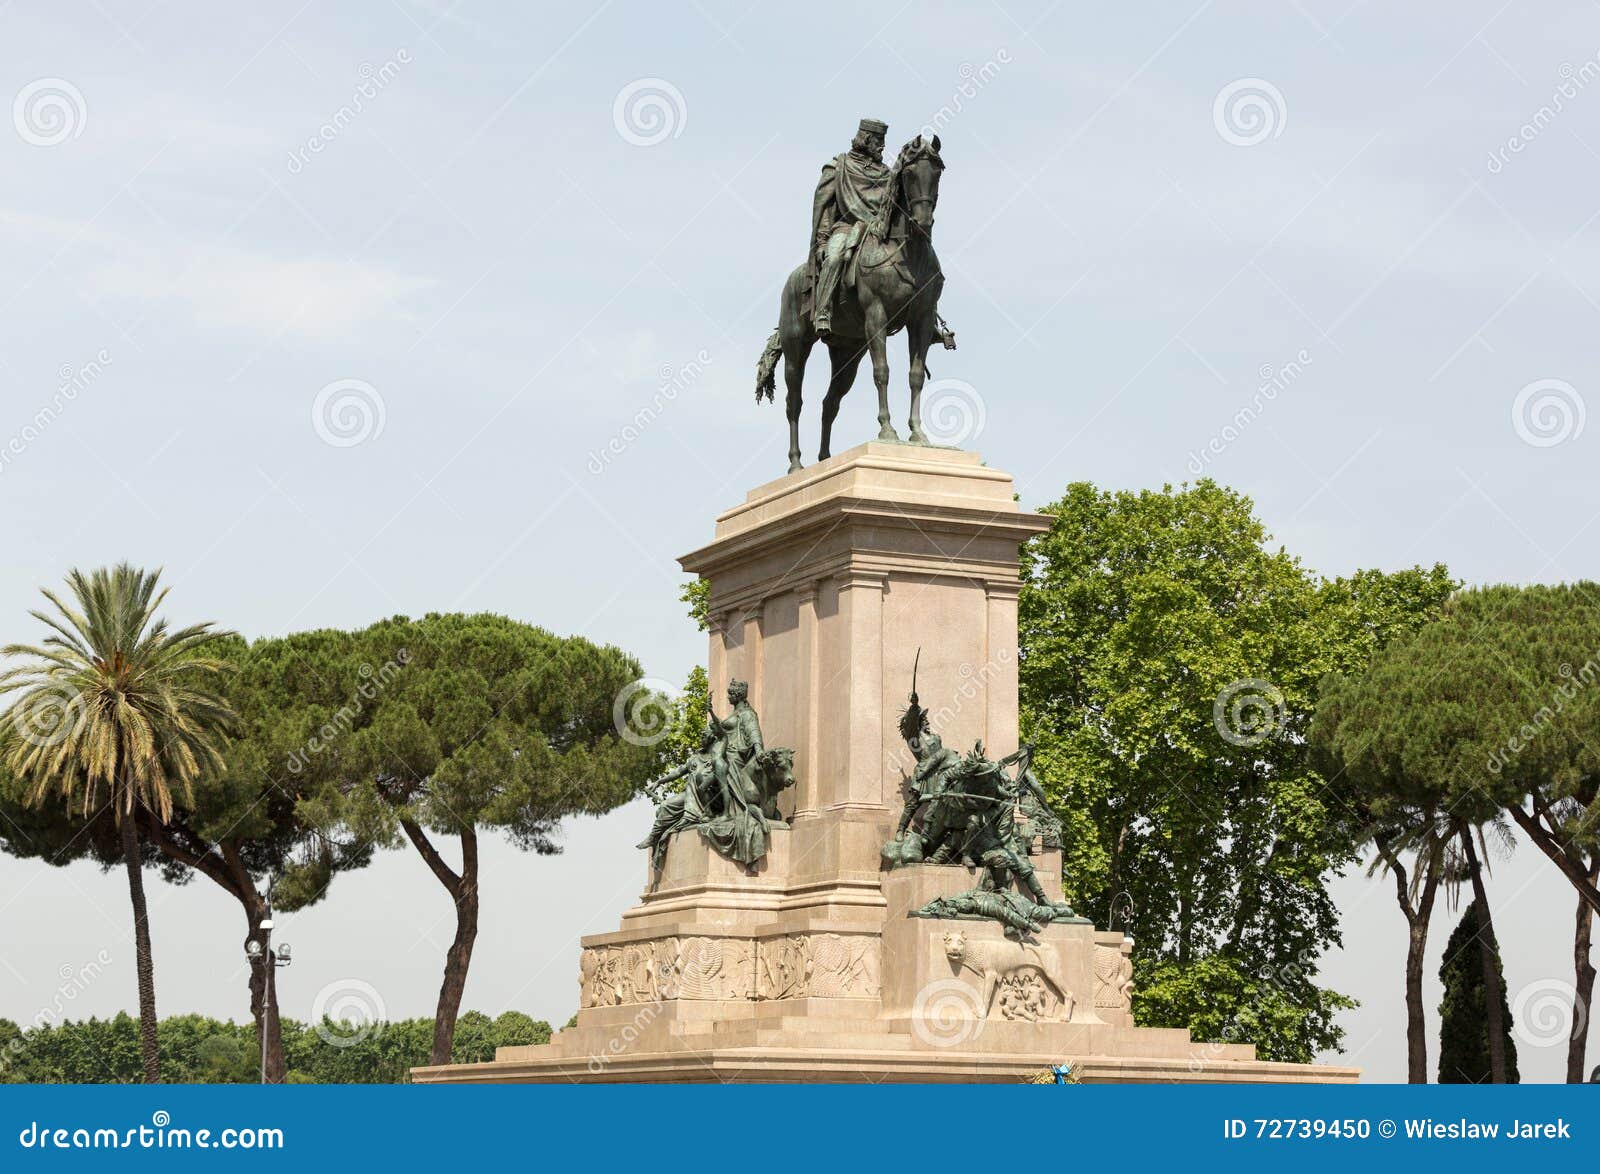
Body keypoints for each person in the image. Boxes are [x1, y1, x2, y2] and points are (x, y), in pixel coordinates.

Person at [809, 117, 891, 338]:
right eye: (878, 140)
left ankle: (928, 319)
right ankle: (823, 312)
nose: (882, 145)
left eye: (884, 140)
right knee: (834, 258)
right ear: (865, 139)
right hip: (845, 228)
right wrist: (823, 240)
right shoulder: (839, 166)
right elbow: (825, 206)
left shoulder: (887, 173)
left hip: (878, 230)